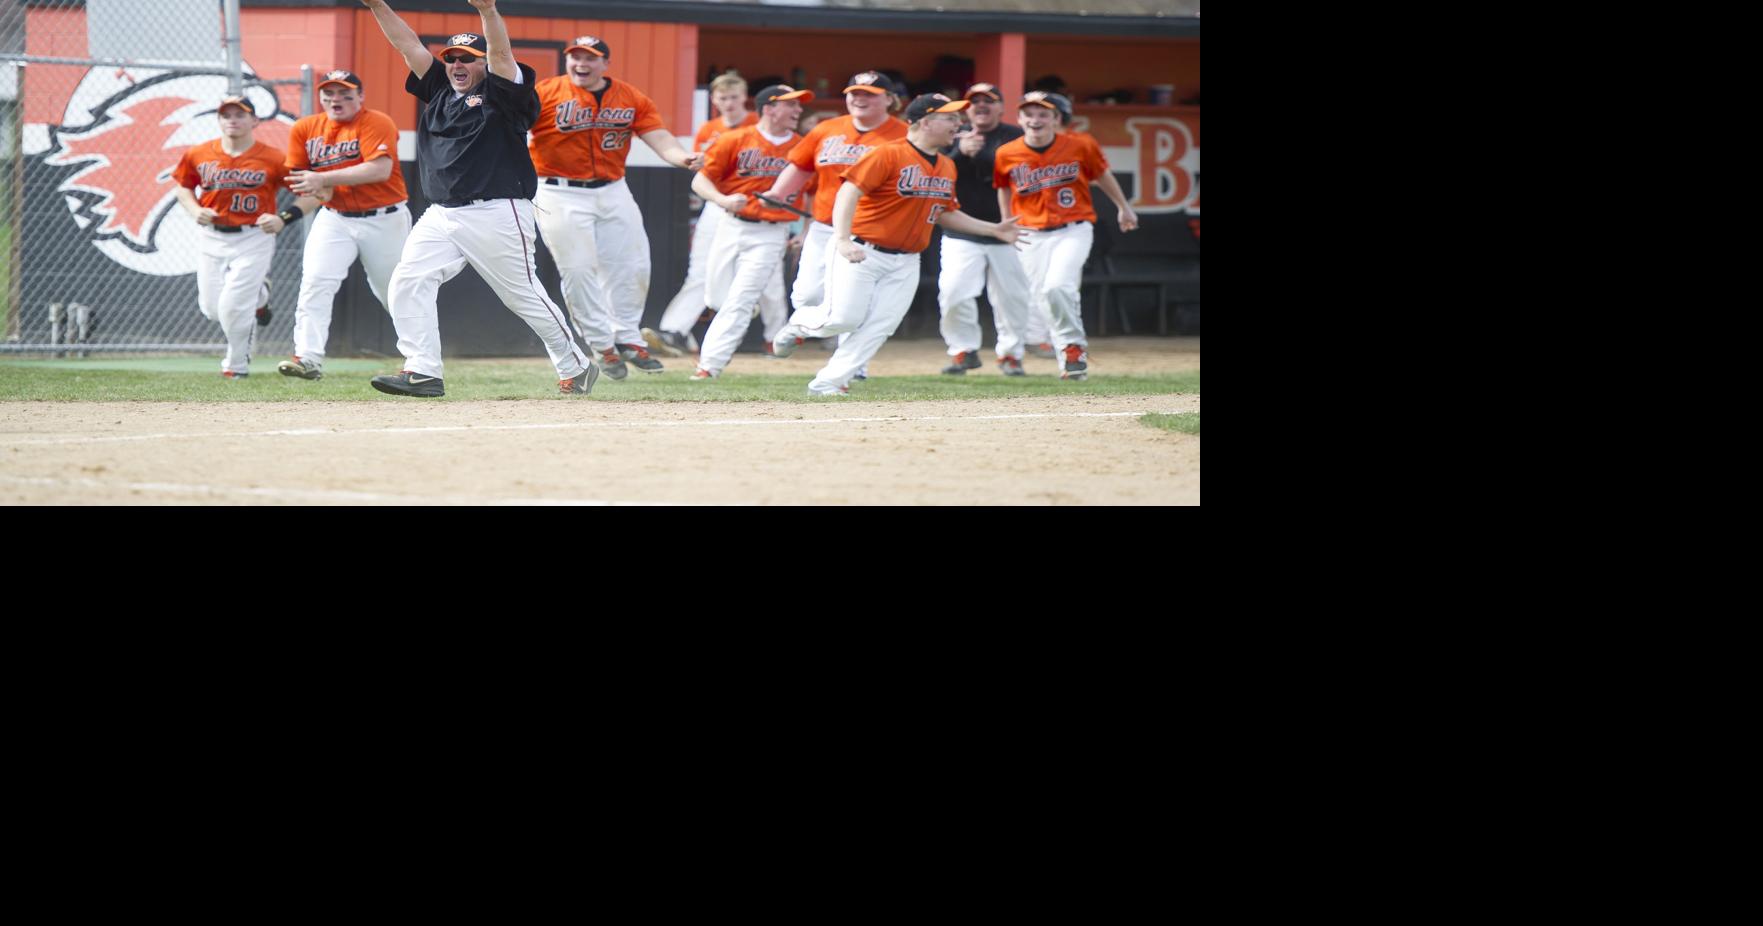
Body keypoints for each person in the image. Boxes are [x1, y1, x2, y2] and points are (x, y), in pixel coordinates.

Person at [359, 0, 597, 397]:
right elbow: (408, 45)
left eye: (467, 59)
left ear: (482, 64)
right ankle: (423, 371)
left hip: (497, 209)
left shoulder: (504, 92)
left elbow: (501, 53)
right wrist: (377, 4)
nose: (457, 65)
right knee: (407, 280)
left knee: (522, 295)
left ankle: (576, 366)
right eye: (452, 58)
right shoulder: (438, 88)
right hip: (441, 214)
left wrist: (487, 11)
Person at [770, 94, 1018, 396]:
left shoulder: (945, 165)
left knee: (880, 326)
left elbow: (944, 212)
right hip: (863, 251)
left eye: (957, 118)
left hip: (907, 259)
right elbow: (848, 193)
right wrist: (843, 239)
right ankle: (798, 325)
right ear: (926, 122)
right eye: (950, 117)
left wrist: (994, 229)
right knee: (843, 318)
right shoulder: (888, 153)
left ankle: (828, 383)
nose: (958, 124)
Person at [529, 34, 701, 380]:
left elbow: (658, 134)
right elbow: (514, 131)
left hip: (612, 187)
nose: (581, 63)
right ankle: (602, 345)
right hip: (558, 190)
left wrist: (680, 157)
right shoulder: (545, 93)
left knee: (632, 265)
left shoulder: (630, 96)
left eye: (590, 58)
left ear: (605, 63)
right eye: (575, 57)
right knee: (578, 270)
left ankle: (627, 336)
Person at [993, 90, 1138, 382]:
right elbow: (1003, 186)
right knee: (1040, 295)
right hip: (1030, 232)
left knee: (1058, 287)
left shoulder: (1080, 145)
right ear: (1020, 118)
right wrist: (1005, 221)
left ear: (1056, 119)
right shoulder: (1007, 152)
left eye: (1043, 114)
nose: (1035, 120)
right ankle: (1070, 358)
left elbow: (1102, 174)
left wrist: (1124, 207)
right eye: (1029, 114)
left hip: (1073, 227)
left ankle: (1072, 348)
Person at [171, 94, 317, 379]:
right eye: (226, 115)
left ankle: (235, 365)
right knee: (212, 309)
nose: (233, 120)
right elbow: (183, 187)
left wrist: (283, 218)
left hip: (253, 237)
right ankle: (260, 297)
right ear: (219, 120)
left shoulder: (273, 157)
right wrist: (193, 209)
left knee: (233, 306)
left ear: (254, 120)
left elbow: (312, 195)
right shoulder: (199, 154)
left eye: (240, 114)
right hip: (212, 236)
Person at [275, 69, 408, 381]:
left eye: (346, 93)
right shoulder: (305, 128)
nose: (337, 99)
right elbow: (300, 179)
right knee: (316, 282)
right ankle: (307, 357)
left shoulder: (376, 121)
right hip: (335, 216)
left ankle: (419, 359)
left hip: (384, 217)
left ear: (360, 97)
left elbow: (379, 169)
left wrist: (324, 179)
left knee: (396, 292)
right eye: (329, 93)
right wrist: (320, 188)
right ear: (321, 97)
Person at [763, 71, 906, 342]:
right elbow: (802, 166)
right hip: (825, 226)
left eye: (870, 94)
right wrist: (779, 192)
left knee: (856, 298)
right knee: (806, 295)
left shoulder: (903, 136)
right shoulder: (827, 128)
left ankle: (852, 364)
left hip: (869, 230)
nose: (860, 99)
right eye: (855, 93)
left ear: (889, 99)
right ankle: (801, 328)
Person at [687, 84, 812, 379]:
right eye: (790, 105)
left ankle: (709, 365)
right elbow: (699, 182)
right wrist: (723, 199)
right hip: (730, 223)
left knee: (739, 298)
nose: (798, 111)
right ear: (769, 108)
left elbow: (812, 192)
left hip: (771, 231)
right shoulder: (736, 139)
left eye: (798, 105)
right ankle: (742, 309)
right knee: (716, 296)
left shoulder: (802, 145)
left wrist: (806, 231)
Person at [650, 71, 757, 356]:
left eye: (734, 97)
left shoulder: (756, 126)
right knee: (700, 270)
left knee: (752, 275)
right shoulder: (709, 129)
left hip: (750, 205)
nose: (729, 103)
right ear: (714, 99)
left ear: (744, 97)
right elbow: (701, 170)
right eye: (723, 97)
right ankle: (674, 331)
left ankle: (768, 336)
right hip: (716, 201)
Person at [936, 81, 1032, 377]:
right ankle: (963, 350)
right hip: (962, 228)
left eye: (988, 101)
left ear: (1001, 107)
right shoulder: (951, 137)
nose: (981, 106)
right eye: (974, 101)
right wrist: (960, 153)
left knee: (1012, 298)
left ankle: (1011, 355)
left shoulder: (1016, 137)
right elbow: (937, 176)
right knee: (953, 293)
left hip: (1010, 230)